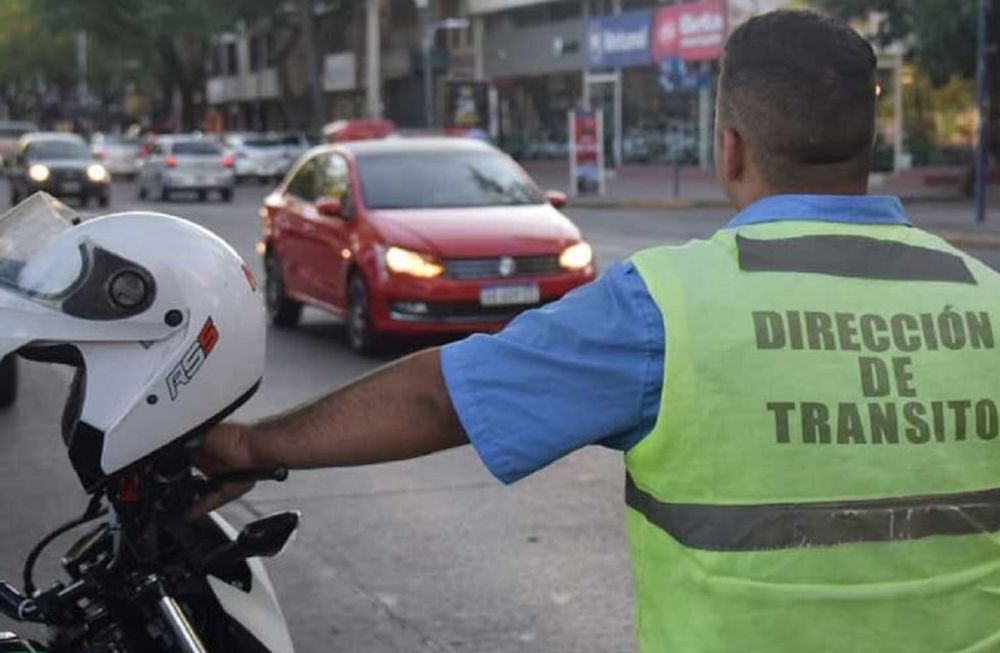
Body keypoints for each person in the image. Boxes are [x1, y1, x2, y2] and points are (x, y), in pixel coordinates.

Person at [194, 10, 1000, 653]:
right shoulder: (988, 300)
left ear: (729, 149)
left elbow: (441, 399)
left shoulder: (667, 306)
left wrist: (246, 447)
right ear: (869, 144)